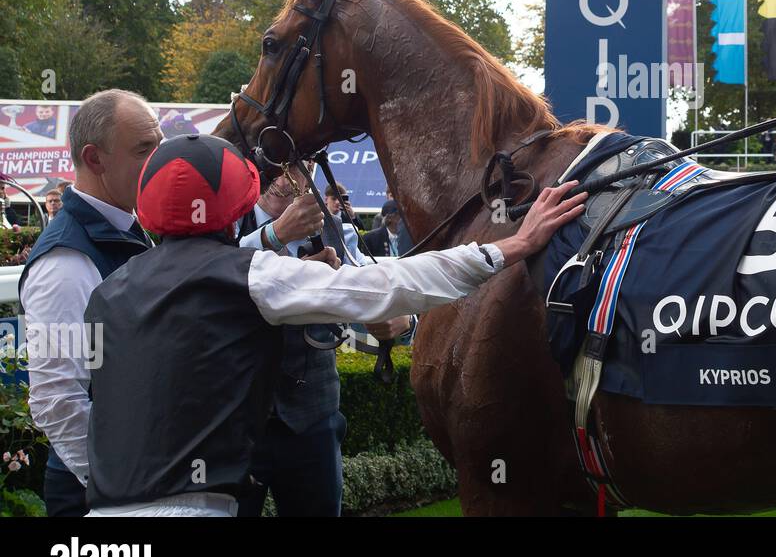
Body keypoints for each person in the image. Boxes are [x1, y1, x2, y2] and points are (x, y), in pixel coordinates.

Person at [81, 133, 585, 516]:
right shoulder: (251, 275)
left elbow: (73, 403)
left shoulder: (108, 291)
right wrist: (511, 246)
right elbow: (389, 284)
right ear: (236, 205)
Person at [16, 89, 161, 516]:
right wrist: (119, 487)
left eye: (159, 146)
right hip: (101, 493)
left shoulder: (128, 225)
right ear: (95, 159)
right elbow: (57, 399)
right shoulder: (66, 260)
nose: (159, 162)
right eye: (144, 150)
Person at [234, 163, 362, 517]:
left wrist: (399, 322)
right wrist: (273, 235)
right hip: (237, 419)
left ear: (310, 175)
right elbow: (207, 271)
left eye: (295, 169)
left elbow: (368, 287)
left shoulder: (331, 226)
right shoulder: (225, 220)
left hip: (312, 414)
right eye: (272, 167)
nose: (282, 178)